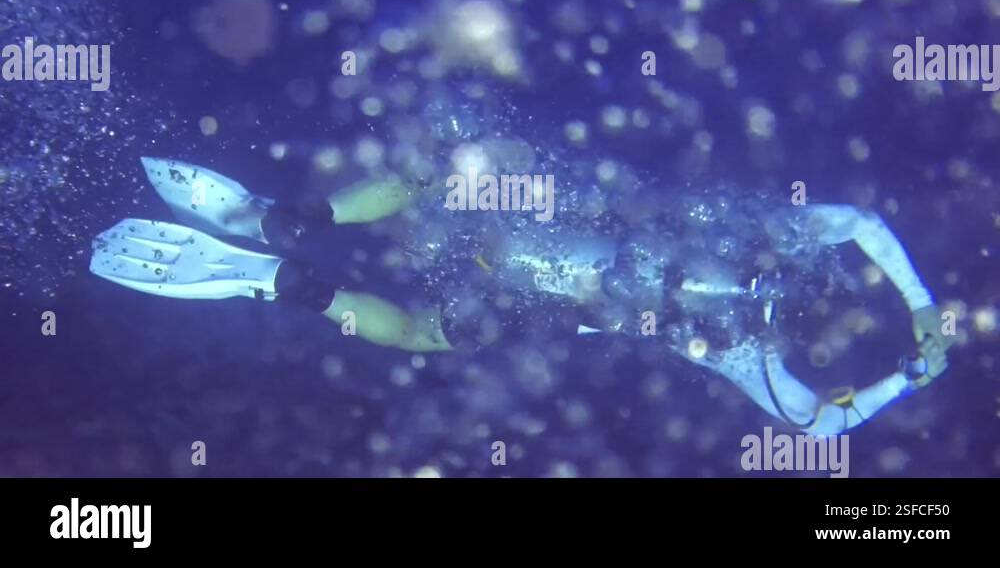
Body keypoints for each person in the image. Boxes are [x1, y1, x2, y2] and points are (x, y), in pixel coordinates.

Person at [90, 155, 955, 436]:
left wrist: (915, 312)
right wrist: (907, 371)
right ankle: (291, 269)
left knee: (446, 184)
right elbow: (819, 423)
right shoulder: (748, 333)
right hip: (538, 288)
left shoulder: (759, 256)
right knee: (425, 321)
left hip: (542, 255)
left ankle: (293, 232)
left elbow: (858, 225)